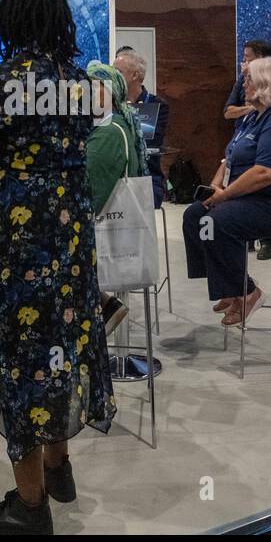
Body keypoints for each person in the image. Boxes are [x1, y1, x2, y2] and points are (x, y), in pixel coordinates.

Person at [0, 0, 116, 535]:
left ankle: (30, 502)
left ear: (10, 24)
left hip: (14, 250)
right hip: (69, 245)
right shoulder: (83, 86)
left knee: (20, 362)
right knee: (60, 346)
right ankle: (60, 469)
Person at [183, 56, 271, 327]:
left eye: (249, 79)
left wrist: (224, 196)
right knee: (195, 216)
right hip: (260, 198)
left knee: (217, 221)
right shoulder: (253, 117)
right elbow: (230, 158)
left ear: (266, 83)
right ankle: (230, 286)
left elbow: (265, 173)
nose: (243, 84)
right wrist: (217, 185)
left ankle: (246, 292)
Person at [85, 59, 151, 335]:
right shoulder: (119, 126)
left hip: (108, 236)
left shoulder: (108, 134)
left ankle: (100, 305)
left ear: (111, 93)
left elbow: (89, 194)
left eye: (94, 87)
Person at [224, 40, 271, 258]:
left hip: (260, 144)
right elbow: (228, 112)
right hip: (241, 140)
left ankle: (267, 240)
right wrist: (252, 108)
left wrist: (250, 109)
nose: (243, 62)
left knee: (262, 190)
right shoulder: (242, 82)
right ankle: (246, 237)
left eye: (247, 57)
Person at [113, 48, 170, 207]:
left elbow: (151, 143)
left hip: (148, 178)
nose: (113, 78)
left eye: (118, 72)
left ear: (135, 75)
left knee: (131, 201)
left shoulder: (158, 106)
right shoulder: (111, 105)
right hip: (115, 175)